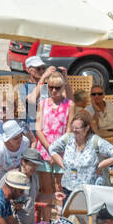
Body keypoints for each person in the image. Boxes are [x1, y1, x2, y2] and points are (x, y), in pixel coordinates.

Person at [48, 113, 113, 196]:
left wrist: (100, 166)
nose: (74, 130)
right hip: (68, 188)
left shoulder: (95, 141)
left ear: (86, 128)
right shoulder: (68, 138)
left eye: (77, 128)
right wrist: (63, 165)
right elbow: (52, 149)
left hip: (90, 191)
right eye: (72, 127)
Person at [34, 73, 72, 202]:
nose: (54, 90)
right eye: (50, 87)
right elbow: (38, 129)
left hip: (62, 152)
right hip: (45, 150)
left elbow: (69, 130)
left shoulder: (70, 105)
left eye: (57, 87)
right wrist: (51, 150)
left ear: (63, 87)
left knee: (60, 189)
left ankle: (59, 219)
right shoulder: (42, 103)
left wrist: (56, 152)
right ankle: (45, 220)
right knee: (46, 189)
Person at [0, 121, 30, 192]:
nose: (19, 140)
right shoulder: (0, 148)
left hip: (12, 174)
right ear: (8, 139)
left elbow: (24, 163)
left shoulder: (25, 142)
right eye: (15, 138)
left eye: (21, 136)